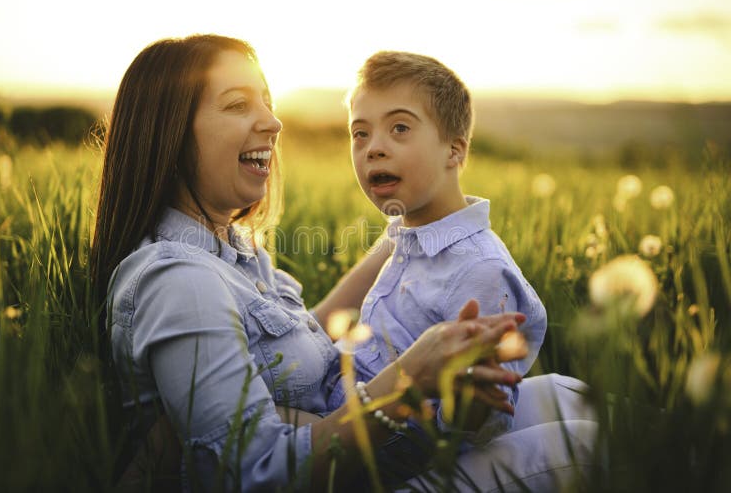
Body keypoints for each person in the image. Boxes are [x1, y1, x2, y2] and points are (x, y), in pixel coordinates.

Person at [91, 34, 594, 492]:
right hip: (358, 472)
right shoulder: (181, 282)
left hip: (369, 441)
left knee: (568, 395)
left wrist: (417, 230)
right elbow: (250, 475)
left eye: (267, 102)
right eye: (239, 104)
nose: (274, 121)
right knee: (588, 444)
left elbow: (306, 340)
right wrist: (408, 378)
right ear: (171, 131)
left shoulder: (233, 252)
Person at [325, 51, 548, 450]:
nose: (373, 147)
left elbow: (482, 424)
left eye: (399, 128)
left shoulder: (479, 270)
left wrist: (469, 398)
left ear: (454, 151)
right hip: (344, 410)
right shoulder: (408, 235)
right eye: (360, 133)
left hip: (386, 455)